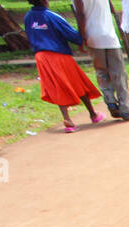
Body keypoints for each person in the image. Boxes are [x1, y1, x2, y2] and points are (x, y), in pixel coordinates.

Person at [22, 0, 105, 131]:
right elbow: (73, 36)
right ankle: (93, 114)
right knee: (78, 82)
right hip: (58, 55)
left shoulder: (28, 17)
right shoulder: (52, 16)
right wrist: (81, 34)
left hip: (40, 57)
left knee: (57, 85)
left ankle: (68, 119)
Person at [74, 0, 129, 120]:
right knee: (119, 73)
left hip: (92, 36)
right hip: (109, 36)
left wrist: (81, 38)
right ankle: (125, 109)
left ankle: (110, 102)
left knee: (101, 71)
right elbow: (112, 8)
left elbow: (80, 15)